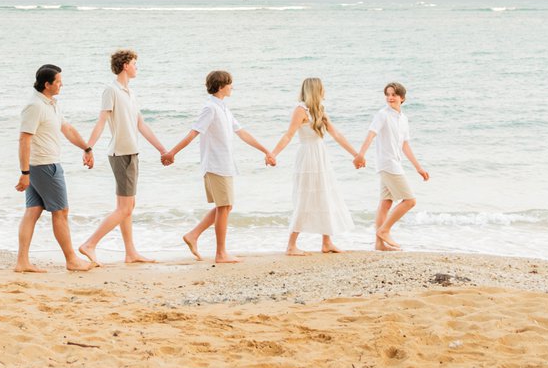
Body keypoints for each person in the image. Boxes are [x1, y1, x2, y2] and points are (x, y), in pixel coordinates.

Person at [164, 69, 274, 264]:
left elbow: (242, 133)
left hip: (225, 164)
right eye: (230, 84)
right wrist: (172, 153)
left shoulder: (223, 108)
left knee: (226, 206)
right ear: (221, 86)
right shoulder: (210, 108)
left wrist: (266, 151)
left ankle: (193, 235)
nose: (232, 87)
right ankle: (220, 253)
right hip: (215, 164)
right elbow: (193, 133)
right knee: (223, 207)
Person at [78, 49, 170, 267]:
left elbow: (141, 125)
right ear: (125, 65)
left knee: (128, 206)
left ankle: (130, 253)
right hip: (121, 153)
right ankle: (90, 244)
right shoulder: (111, 90)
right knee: (125, 208)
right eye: (135, 63)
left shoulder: (129, 92)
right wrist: (88, 147)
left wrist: (162, 149)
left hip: (131, 152)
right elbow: (101, 121)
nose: (137, 67)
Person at [16, 63, 97, 273]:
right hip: (44, 166)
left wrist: (86, 147)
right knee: (60, 211)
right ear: (47, 84)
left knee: (33, 211)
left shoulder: (51, 104)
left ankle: (22, 262)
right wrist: (24, 173)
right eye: (58, 82)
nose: (61, 85)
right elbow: (24, 139)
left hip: (42, 166)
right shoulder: (35, 106)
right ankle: (71, 259)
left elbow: (67, 129)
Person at [267, 77, 360, 255]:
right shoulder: (300, 110)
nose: (324, 91)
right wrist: (273, 154)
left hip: (320, 156)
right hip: (308, 158)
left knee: (326, 195)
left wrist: (356, 154)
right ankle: (291, 245)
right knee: (305, 199)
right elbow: (288, 135)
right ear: (316, 90)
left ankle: (327, 242)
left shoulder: (320, 110)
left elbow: (337, 135)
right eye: (322, 88)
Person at [354, 80, 430, 251]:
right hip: (387, 163)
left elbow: (405, 145)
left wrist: (419, 167)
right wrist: (361, 154)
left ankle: (379, 244)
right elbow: (371, 134)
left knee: (386, 203)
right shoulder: (383, 114)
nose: (390, 98)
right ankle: (385, 230)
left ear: (402, 98)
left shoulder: (403, 119)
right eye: (387, 95)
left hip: (396, 162)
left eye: (393, 95)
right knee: (410, 201)